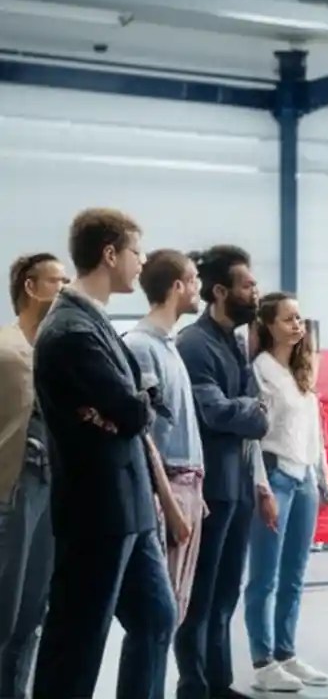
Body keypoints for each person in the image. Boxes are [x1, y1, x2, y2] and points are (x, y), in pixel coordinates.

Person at [29, 209, 178, 699]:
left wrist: (131, 404)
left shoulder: (94, 322)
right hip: (97, 510)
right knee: (77, 641)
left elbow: (133, 404)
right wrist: (133, 405)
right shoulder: (71, 331)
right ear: (110, 254)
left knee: (156, 619)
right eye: (137, 251)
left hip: (128, 506)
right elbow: (133, 411)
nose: (143, 261)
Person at [175, 245, 275, 699]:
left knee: (225, 594)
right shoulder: (193, 345)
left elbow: (258, 410)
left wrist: (248, 411)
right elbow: (215, 412)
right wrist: (249, 411)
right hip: (208, 489)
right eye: (247, 285)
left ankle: (220, 683)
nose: (256, 292)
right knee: (199, 596)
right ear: (220, 291)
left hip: (236, 488)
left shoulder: (234, 343)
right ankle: (193, 685)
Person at [242, 292, 328, 692]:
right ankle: (263, 663)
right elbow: (253, 437)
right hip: (276, 476)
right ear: (268, 325)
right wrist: (262, 485)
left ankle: (286, 652)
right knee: (264, 576)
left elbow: (315, 431)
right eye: (288, 319)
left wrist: (322, 478)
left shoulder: (301, 371)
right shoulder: (259, 371)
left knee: (294, 574)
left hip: (305, 477)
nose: (297, 325)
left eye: (299, 318)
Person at [122, 250, 207, 631]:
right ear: (177, 286)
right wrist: (170, 505)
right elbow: (145, 436)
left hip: (188, 486)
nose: (198, 287)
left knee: (176, 610)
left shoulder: (169, 346)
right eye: (193, 280)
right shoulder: (141, 347)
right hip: (167, 490)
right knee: (157, 619)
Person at [0, 253, 66, 699]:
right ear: (30, 286)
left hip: (50, 491)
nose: (66, 289)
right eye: (57, 281)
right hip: (12, 489)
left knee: (31, 613)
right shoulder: (6, 350)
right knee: (5, 612)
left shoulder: (56, 353)